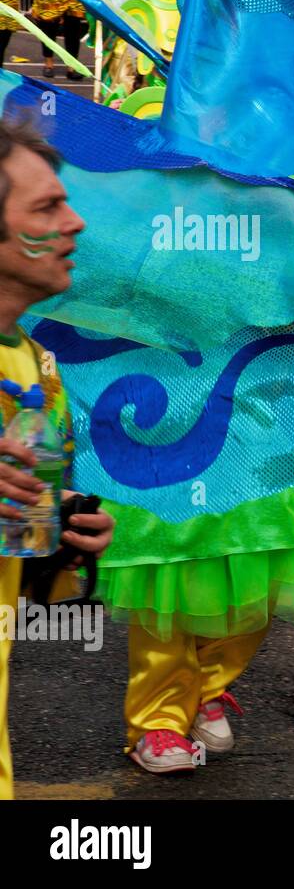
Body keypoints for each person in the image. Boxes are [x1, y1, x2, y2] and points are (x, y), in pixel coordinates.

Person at [0, 120, 116, 800]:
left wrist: (62, 529)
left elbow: (23, 543)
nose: (74, 223)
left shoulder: (35, 365)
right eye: (46, 208)